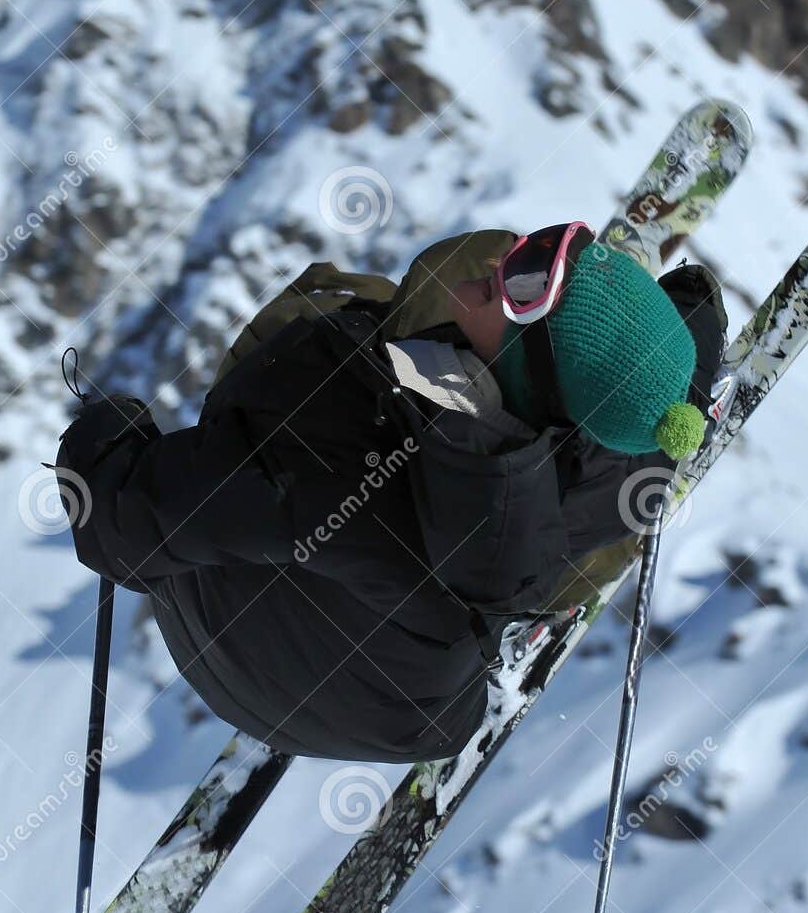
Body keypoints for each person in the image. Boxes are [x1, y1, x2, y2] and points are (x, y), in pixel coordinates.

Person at [57, 223, 725, 762]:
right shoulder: (603, 466)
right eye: (538, 249)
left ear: (528, 364)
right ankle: (526, 607)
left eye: (523, 286)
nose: (509, 262)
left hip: (233, 661)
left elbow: (113, 529)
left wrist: (111, 430)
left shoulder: (344, 442)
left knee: (333, 309)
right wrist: (694, 306)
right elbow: (669, 409)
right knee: (603, 515)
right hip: (420, 725)